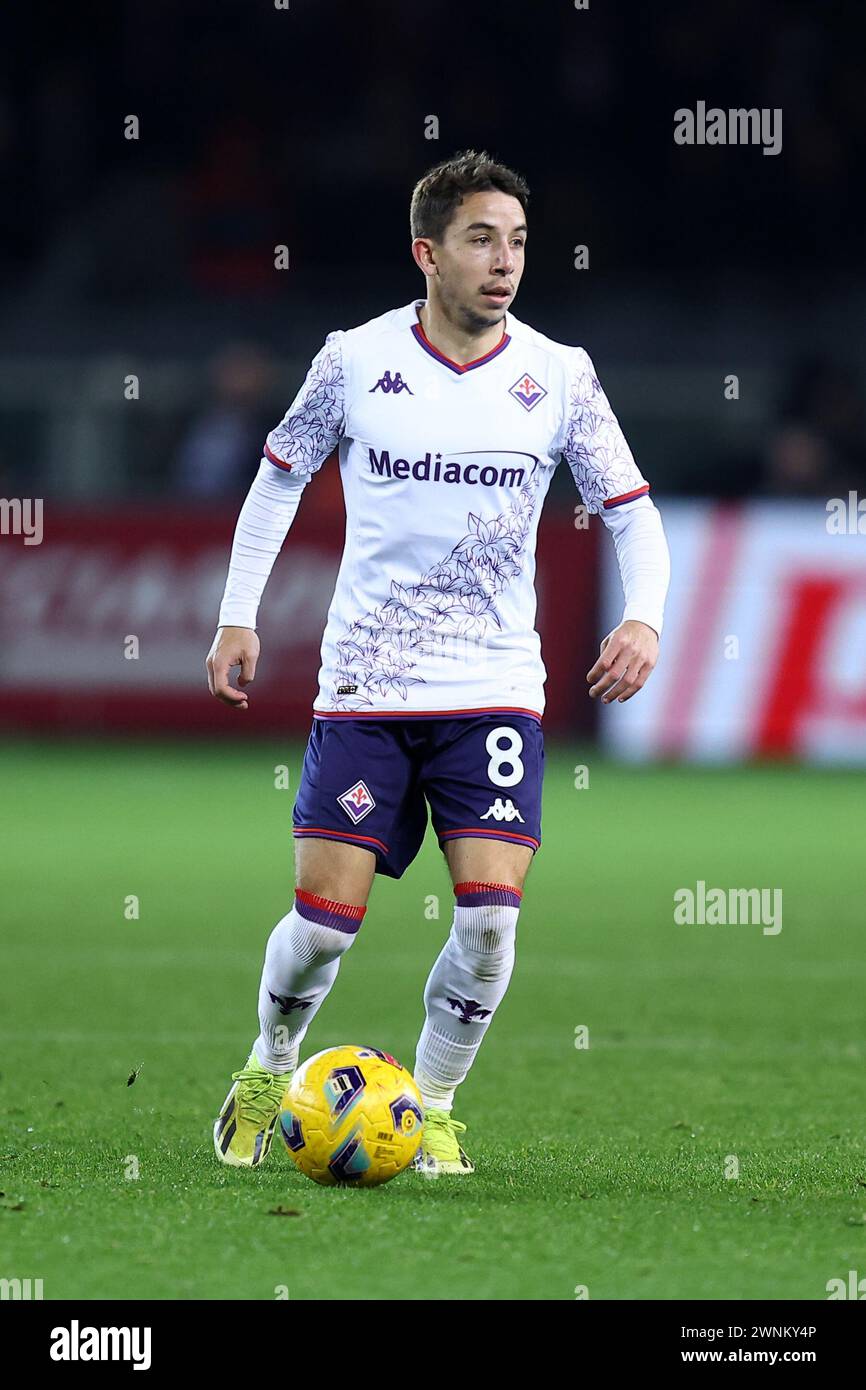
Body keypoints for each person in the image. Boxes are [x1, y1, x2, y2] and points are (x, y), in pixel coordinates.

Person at [206, 150, 670, 1175]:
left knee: (491, 924)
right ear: (427, 252)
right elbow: (277, 479)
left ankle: (437, 1107)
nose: (502, 262)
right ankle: (265, 1062)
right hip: (366, 687)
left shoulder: (558, 376)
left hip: (493, 690)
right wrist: (236, 616)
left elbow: (633, 515)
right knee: (325, 931)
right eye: (478, 240)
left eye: (513, 241)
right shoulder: (353, 359)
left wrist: (643, 620)